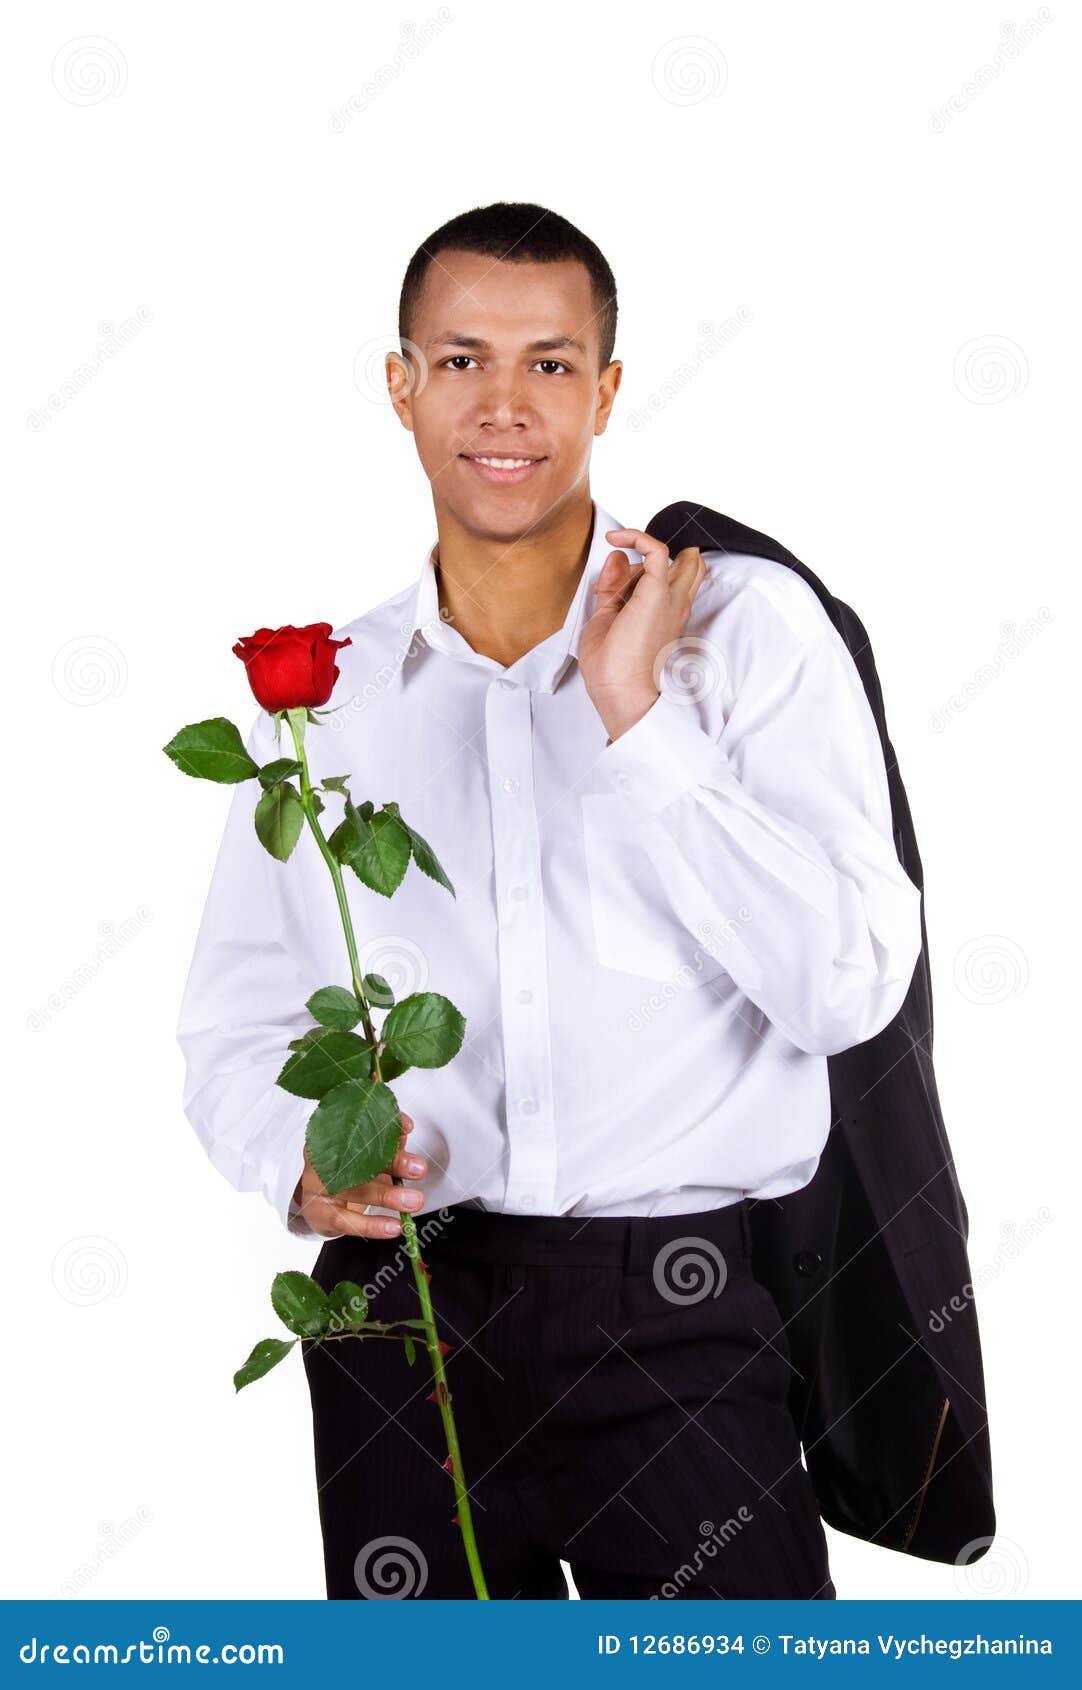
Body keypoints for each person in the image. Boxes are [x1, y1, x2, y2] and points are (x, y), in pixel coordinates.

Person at [177, 201, 923, 1599]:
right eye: (461, 360)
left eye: (551, 363)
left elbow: (847, 989)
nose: (504, 404)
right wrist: (296, 1160)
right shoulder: (323, 696)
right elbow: (233, 1021)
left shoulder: (744, 635)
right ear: (400, 384)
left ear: (607, 389)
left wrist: (638, 720)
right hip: (395, 1312)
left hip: (674, 1311)